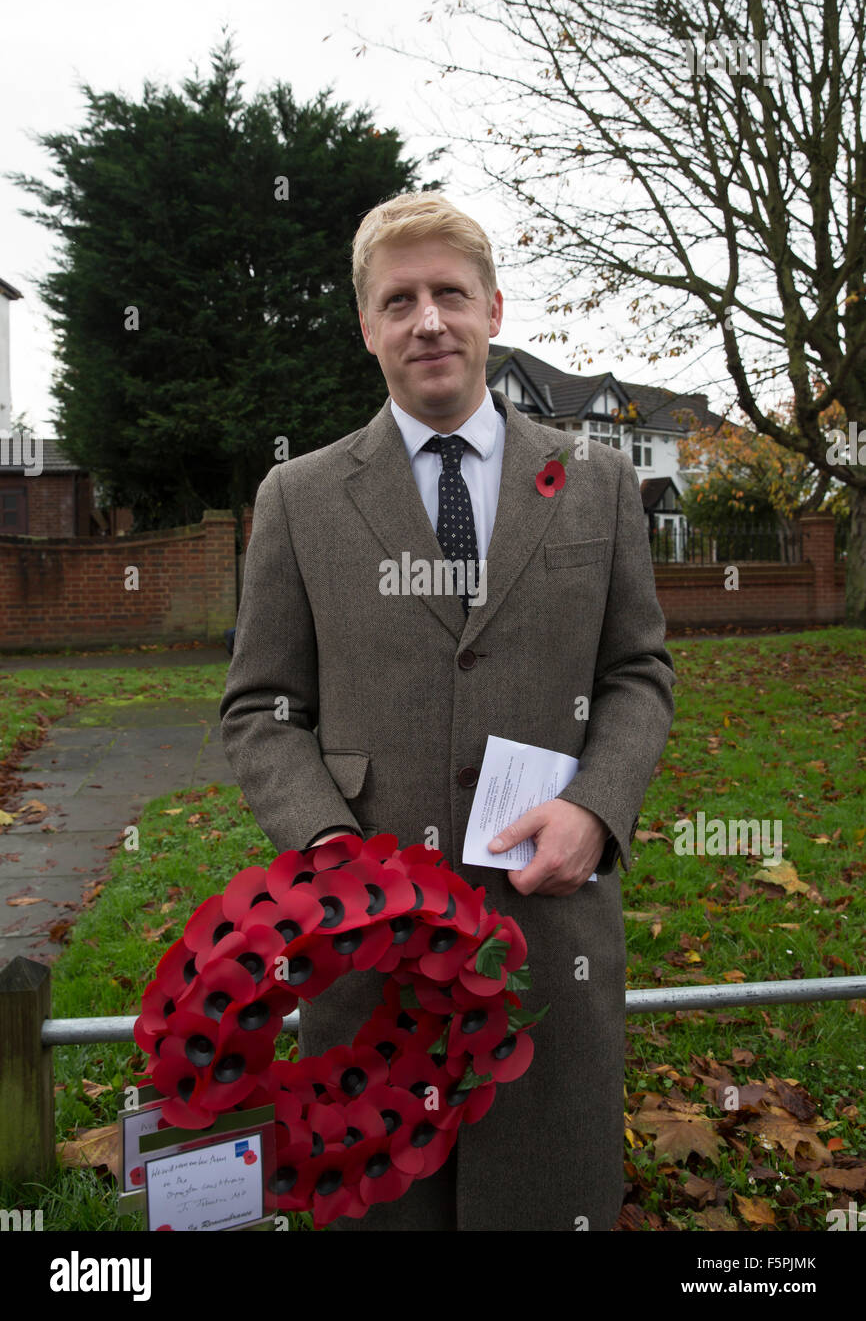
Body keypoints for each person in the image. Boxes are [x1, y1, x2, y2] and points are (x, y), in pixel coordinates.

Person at [219, 191, 675, 1231]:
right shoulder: (297, 497)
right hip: (365, 959)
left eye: (448, 295)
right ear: (367, 327)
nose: (427, 319)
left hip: (546, 935)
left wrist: (597, 809)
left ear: (492, 310)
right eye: (399, 300)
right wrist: (332, 851)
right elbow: (260, 708)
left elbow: (636, 674)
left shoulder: (595, 485)